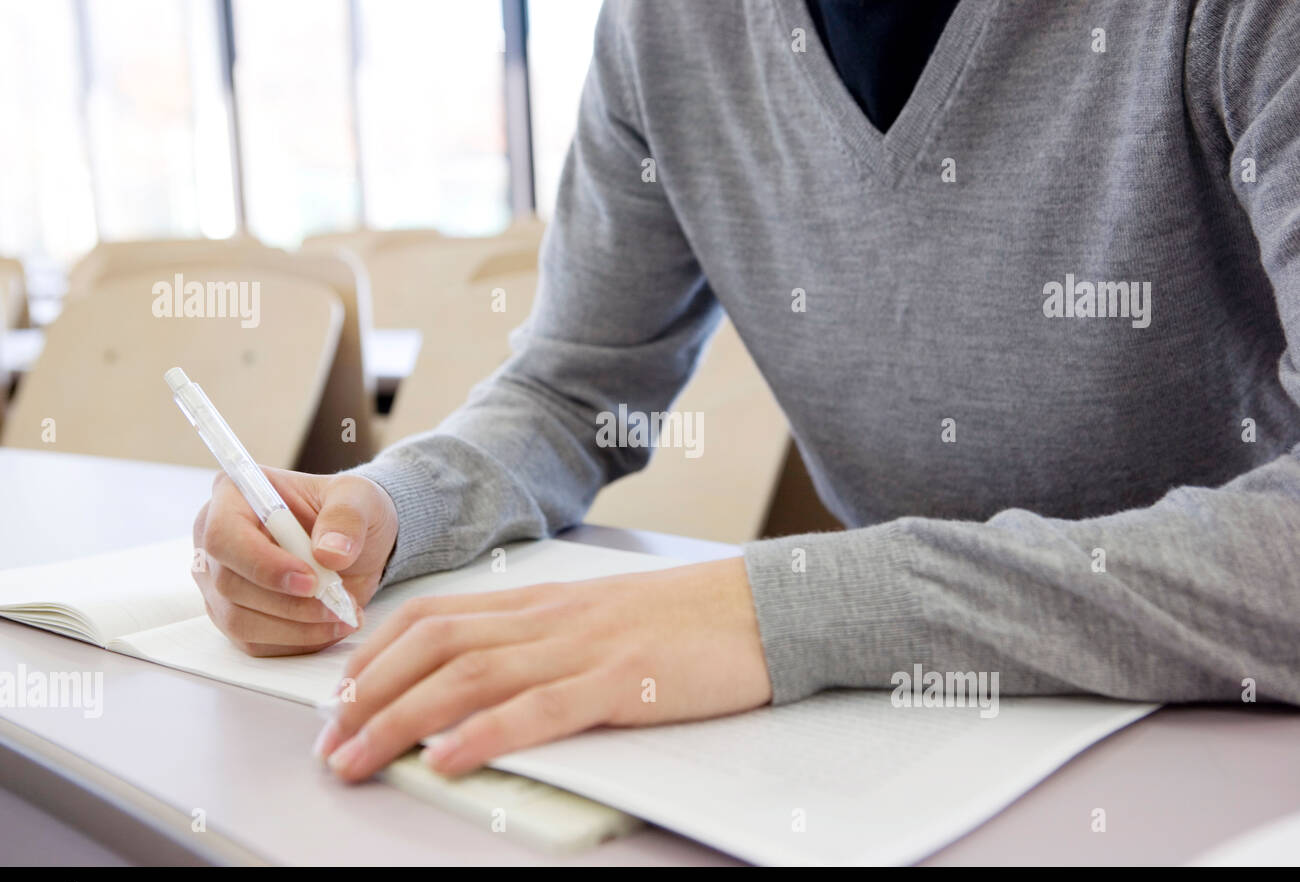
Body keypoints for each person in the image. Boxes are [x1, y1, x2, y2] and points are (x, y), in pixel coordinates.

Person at [191, 0, 1300, 783]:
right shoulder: (661, 29)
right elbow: (575, 388)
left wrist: (794, 608)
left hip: (1226, 741)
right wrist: (391, 508)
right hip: (901, 741)